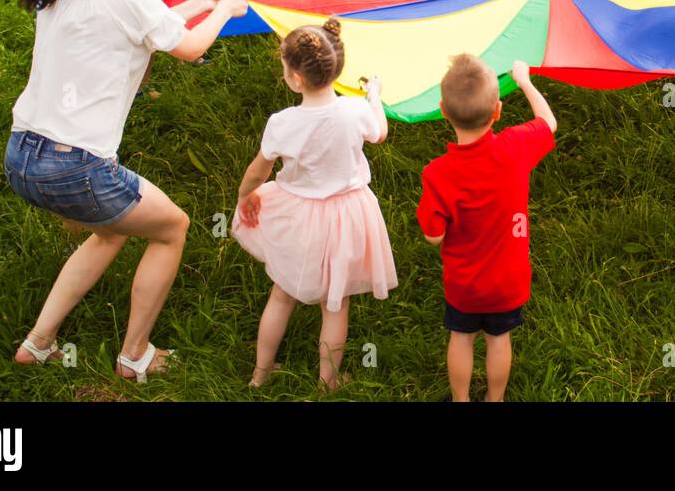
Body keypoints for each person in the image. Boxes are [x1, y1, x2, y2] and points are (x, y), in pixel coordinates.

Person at [6, 0, 247, 381]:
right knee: (172, 228)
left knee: (112, 230)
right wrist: (229, 9)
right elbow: (190, 47)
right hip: (75, 166)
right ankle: (135, 356)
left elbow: (149, 21)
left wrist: (203, 0)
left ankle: (38, 343)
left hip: (21, 156)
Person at [232, 20, 396, 390]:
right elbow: (380, 133)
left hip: (300, 216)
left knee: (282, 293)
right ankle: (329, 381)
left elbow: (259, 171)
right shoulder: (355, 111)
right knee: (335, 304)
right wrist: (375, 96)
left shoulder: (284, 123)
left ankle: (260, 374)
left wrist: (246, 196)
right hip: (347, 215)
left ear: (295, 78)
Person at [417, 57, 557, 401]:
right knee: (499, 340)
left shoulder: (438, 173)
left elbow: (433, 235)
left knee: (461, 337)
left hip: (464, 285)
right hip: (507, 281)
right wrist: (524, 81)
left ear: (442, 112)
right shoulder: (515, 146)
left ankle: (461, 399)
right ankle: (495, 399)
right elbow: (548, 122)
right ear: (497, 110)